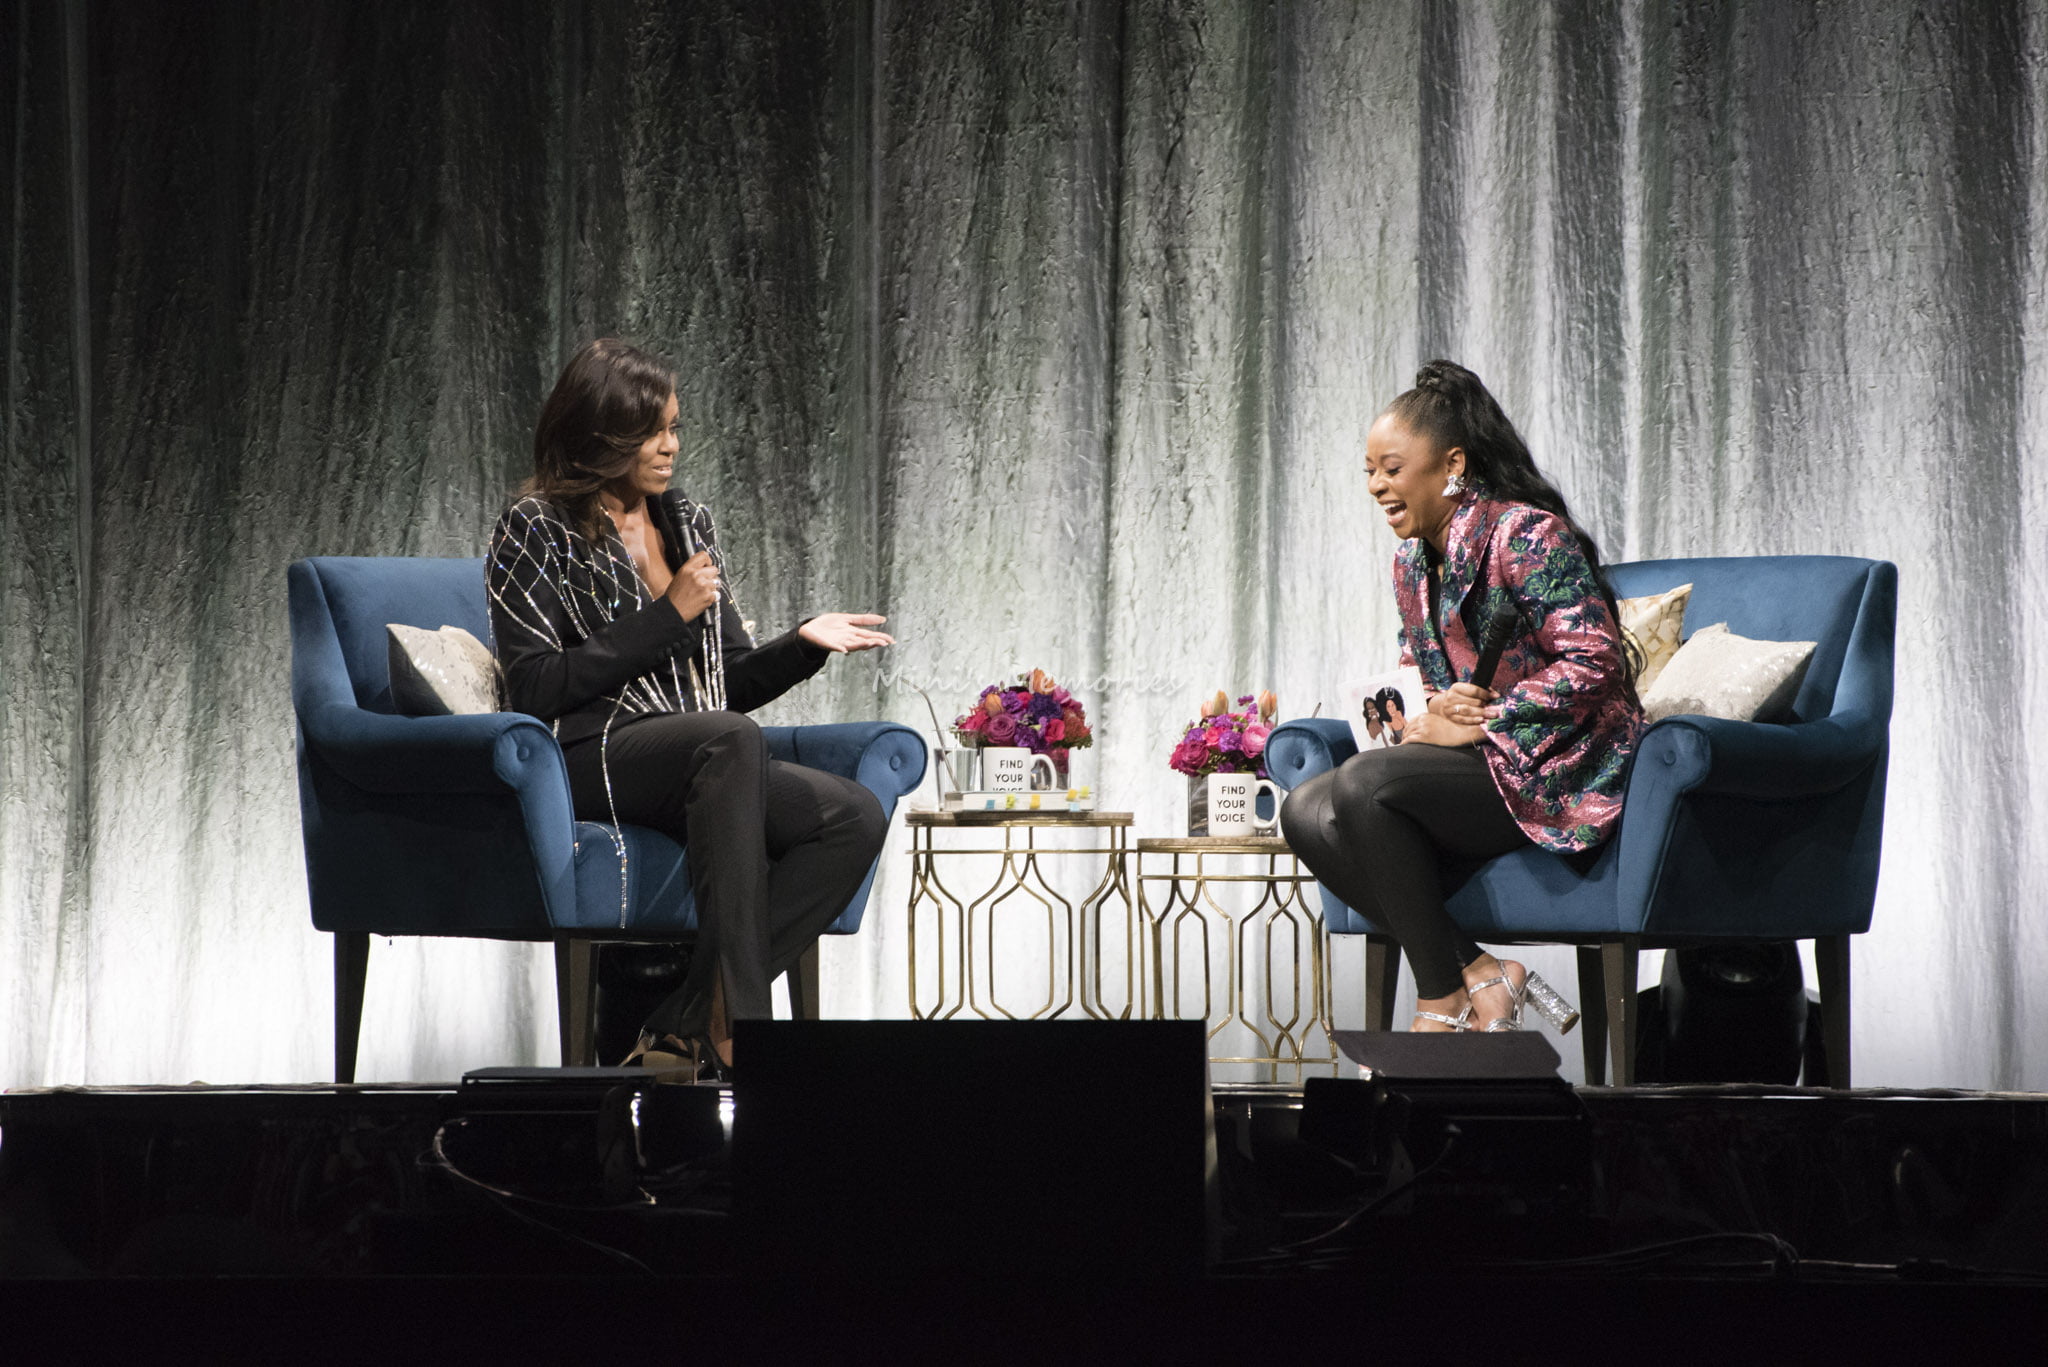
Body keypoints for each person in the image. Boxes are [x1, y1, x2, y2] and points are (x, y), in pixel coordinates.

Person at [487, 338, 895, 1075]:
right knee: (730, 741)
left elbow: (726, 682)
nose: (670, 446)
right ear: (599, 431)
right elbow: (537, 685)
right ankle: (742, 1035)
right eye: (652, 431)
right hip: (591, 753)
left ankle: (687, 1016)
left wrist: (802, 644)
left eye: (675, 427)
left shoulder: (685, 524)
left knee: (853, 815)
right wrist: (668, 615)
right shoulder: (535, 527)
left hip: (699, 750)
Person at [1280, 361, 1642, 1034]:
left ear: (1451, 464)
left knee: (1360, 787)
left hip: (1556, 765)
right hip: (1475, 767)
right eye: (1368, 471)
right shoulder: (1411, 562)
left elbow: (1596, 661)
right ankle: (1478, 972)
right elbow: (1423, 666)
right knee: (1305, 809)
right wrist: (1427, 716)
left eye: (1391, 466)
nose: (1378, 485)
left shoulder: (1527, 534)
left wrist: (1484, 722)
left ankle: (1440, 997)